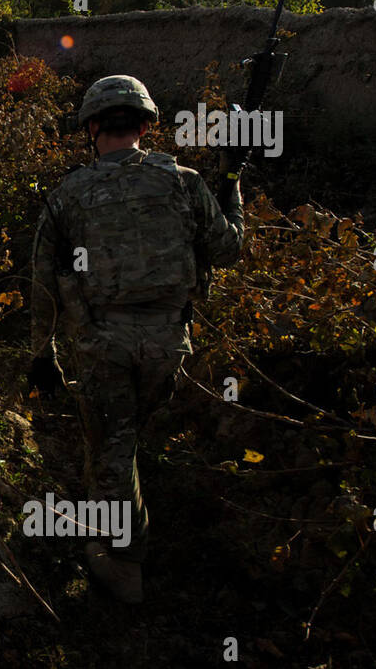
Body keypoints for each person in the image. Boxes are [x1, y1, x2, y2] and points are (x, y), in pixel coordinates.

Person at [28, 75, 244, 604]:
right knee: (121, 441)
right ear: (146, 125)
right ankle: (115, 519)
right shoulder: (186, 183)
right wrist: (233, 193)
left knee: (114, 449)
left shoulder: (69, 194)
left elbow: (40, 280)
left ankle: (124, 566)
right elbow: (228, 251)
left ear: (93, 126)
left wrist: (41, 353)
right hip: (170, 343)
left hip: (103, 343)